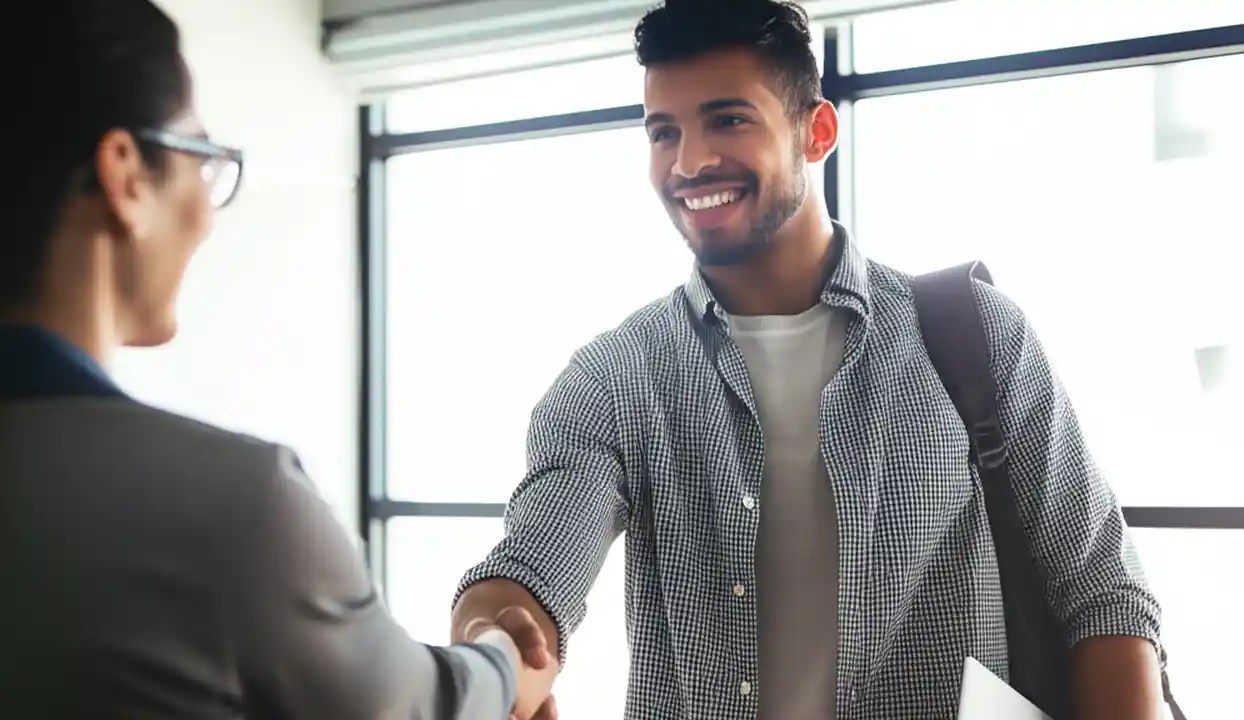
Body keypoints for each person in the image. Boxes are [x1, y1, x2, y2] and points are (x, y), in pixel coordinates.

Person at [451, 0, 1166, 718]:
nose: (689, 161)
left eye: (728, 120)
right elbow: (531, 569)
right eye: (664, 132)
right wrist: (495, 648)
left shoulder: (975, 336)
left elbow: (1103, 596)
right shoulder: (615, 379)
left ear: (817, 130)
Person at [0, 2, 554, 718]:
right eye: (202, 161)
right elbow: (417, 707)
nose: (207, 211)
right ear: (125, 175)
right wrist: (506, 663)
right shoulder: (231, 508)